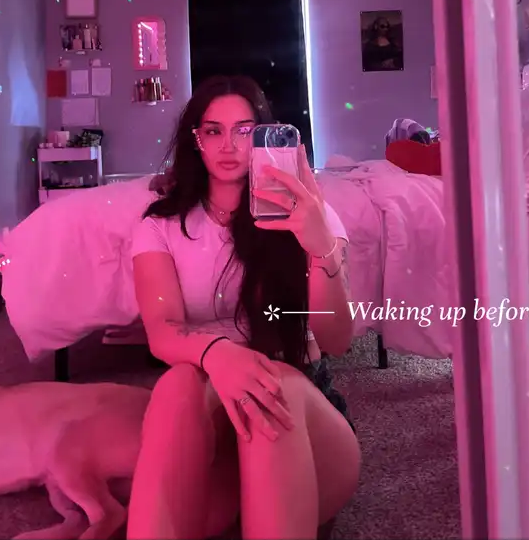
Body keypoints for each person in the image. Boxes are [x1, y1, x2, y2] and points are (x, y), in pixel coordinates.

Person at [127, 75, 360, 540]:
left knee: (271, 390)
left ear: (264, 137)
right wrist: (219, 354)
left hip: (302, 415)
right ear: (195, 140)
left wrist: (321, 247)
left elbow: (337, 340)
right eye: (213, 131)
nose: (229, 145)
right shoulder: (161, 227)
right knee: (176, 384)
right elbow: (162, 329)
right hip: (215, 430)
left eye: (245, 130)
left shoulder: (310, 215)